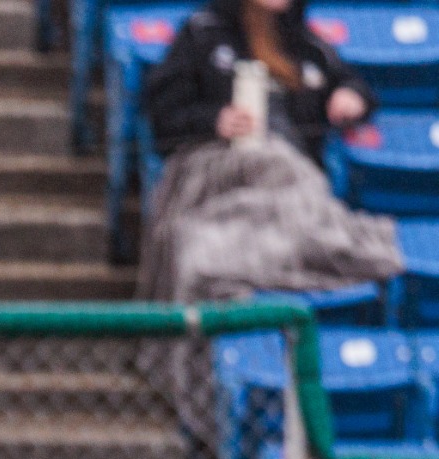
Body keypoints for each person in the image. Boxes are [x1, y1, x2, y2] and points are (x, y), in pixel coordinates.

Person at [137, 0, 400, 305]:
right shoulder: (201, 34)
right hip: (220, 176)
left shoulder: (308, 46)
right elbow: (163, 117)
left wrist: (351, 95)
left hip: (295, 185)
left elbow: (354, 84)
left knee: (290, 170)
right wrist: (214, 121)